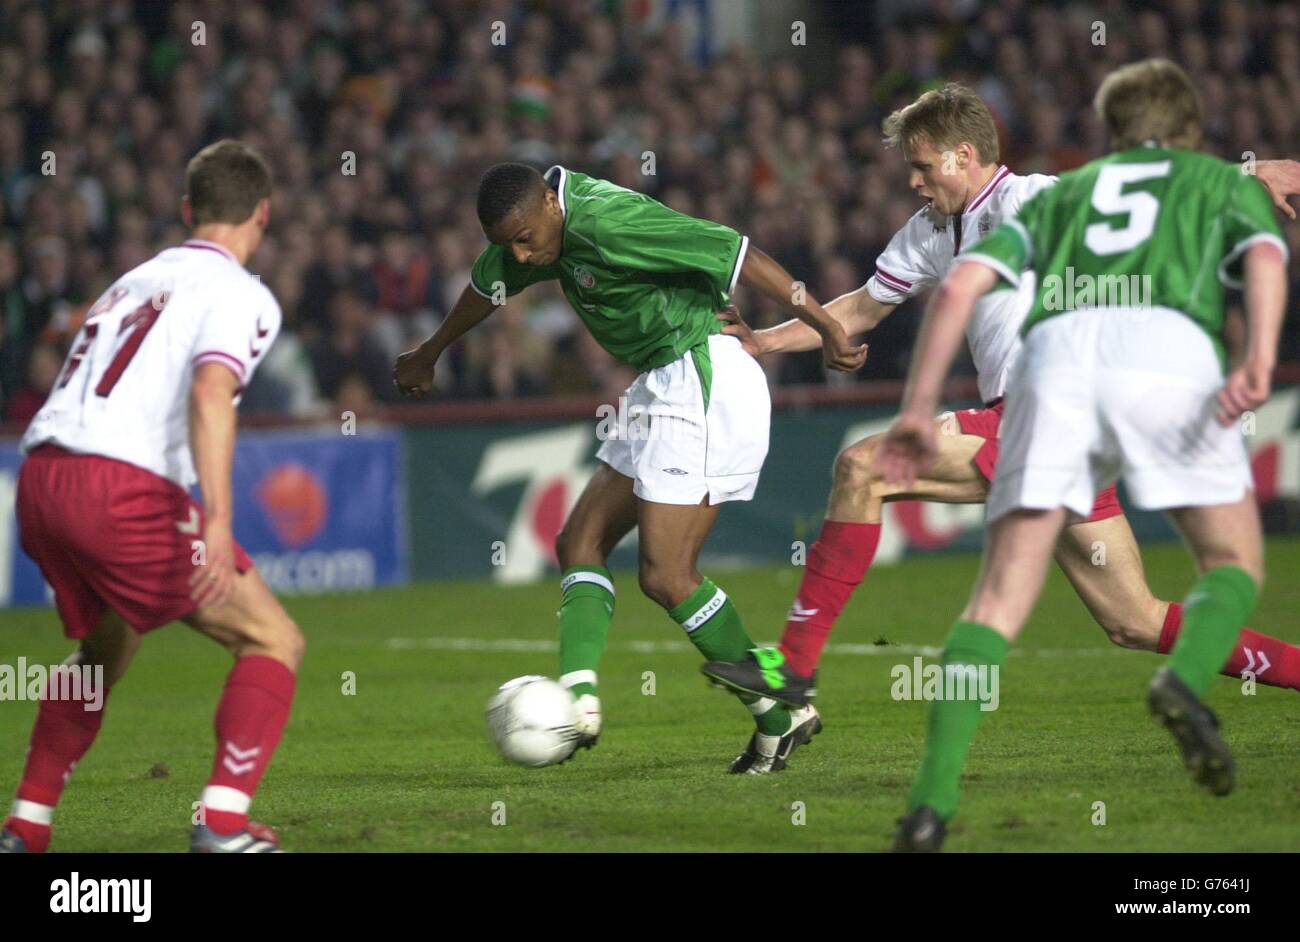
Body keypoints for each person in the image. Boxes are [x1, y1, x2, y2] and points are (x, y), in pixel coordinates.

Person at [876, 60, 1288, 850]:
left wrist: (919, 409)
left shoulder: (1065, 191)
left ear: (1111, 135)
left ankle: (929, 807)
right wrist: (1260, 361)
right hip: (1164, 366)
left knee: (996, 604)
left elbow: (960, 292)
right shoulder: (1204, 183)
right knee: (1230, 563)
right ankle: (1184, 677)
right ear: (1190, 135)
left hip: (1053, 383)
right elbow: (1265, 260)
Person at [395, 162, 866, 773]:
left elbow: (738, 253)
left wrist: (827, 326)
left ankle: (782, 708)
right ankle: (581, 700)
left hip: (701, 374)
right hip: (658, 384)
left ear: (549, 202)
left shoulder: (611, 221)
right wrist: (429, 352)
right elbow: (488, 288)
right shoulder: (536, 230)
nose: (520, 253)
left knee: (667, 575)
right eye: (506, 244)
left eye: (524, 238)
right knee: (579, 542)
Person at [1, 140, 303, 854]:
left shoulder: (133, 280)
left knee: (105, 647)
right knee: (273, 639)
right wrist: (221, 520)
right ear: (264, 214)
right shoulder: (243, 294)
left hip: (40, 476)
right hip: (120, 487)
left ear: (187, 210)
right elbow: (210, 390)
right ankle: (223, 824)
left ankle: (26, 825)